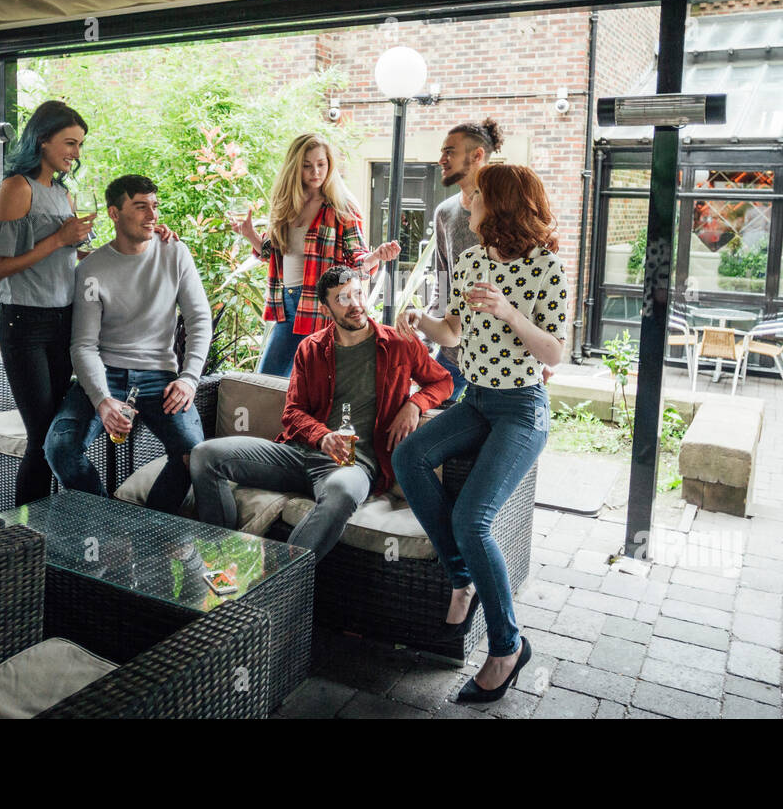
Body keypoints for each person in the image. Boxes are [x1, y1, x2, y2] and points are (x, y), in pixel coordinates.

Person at [393, 163, 568, 704]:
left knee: (474, 517)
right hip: (477, 400)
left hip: (521, 410)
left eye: (477, 194)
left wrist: (510, 310)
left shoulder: (547, 268)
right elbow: (453, 331)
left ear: (502, 204)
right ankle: (461, 577)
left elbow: (554, 353)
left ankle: (507, 647)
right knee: (410, 458)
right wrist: (420, 320)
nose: (467, 200)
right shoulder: (470, 259)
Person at [190, 264, 452, 559]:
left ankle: (279, 578)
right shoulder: (310, 349)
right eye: (342, 298)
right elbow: (293, 412)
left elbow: (443, 381)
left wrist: (414, 405)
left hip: (353, 465)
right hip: (297, 455)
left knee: (341, 492)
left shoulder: (399, 343)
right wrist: (323, 436)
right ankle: (220, 554)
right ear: (326, 310)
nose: (354, 305)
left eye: (357, 294)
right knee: (205, 456)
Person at [45, 174, 211, 513]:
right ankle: (110, 520)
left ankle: (146, 526)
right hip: (105, 374)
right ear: (114, 213)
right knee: (60, 449)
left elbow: (199, 319)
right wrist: (103, 400)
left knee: (193, 455)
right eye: (140, 207)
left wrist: (189, 377)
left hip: (161, 376)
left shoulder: (175, 254)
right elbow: (84, 346)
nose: (152, 216)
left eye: (154, 206)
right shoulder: (92, 269)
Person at [0, 101, 96, 507]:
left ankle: (53, 526)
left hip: (64, 322)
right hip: (25, 325)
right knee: (41, 435)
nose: (76, 153)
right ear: (43, 139)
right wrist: (60, 241)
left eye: (80, 145)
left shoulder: (64, 194)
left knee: (54, 438)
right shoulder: (17, 187)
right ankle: (26, 537)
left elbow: (64, 260)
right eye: (69, 143)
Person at [231, 133, 401, 378]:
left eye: (321, 164)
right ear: (295, 167)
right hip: (287, 303)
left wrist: (377, 256)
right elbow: (276, 254)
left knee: (313, 384)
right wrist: (250, 234)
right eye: (307, 166)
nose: (316, 172)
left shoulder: (341, 206)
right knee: (267, 380)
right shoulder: (287, 203)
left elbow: (356, 263)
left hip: (320, 306)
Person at [427, 118, 505, 404]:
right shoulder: (444, 213)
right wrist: (426, 335)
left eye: (450, 152)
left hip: (501, 352)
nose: (441, 160)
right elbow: (443, 283)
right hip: (453, 350)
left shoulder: (508, 208)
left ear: (477, 156)